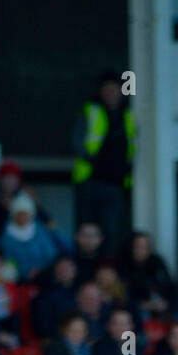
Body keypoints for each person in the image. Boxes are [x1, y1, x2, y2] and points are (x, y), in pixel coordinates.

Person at [71, 71, 135, 252]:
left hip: (115, 183)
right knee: (86, 229)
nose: (110, 93)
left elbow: (132, 148)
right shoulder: (90, 110)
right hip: (91, 180)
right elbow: (75, 142)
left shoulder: (128, 115)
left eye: (114, 89)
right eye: (106, 90)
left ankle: (107, 272)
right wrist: (93, 161)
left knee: (111, 231)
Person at [1, 194, 61, 283]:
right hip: (17, 279)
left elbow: (50, 253)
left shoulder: (40, 230)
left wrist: (39, 269)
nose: (22, 217)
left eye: (25, 214)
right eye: (19, 214)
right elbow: (6, 257)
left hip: (42, 276)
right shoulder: (6, 233)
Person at [120, 231, 176, 320]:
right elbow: (125, 296)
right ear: (130, 248)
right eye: (137, 247)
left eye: (145, 247)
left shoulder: (157, 262)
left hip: (162, 307)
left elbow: (170, 287)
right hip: (137, 311)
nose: (141, 251)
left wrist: (166, 302)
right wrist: (142, 305)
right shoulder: (123, 267)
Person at [31, 254, 79, 340]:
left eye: (68, 267)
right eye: (61, 268)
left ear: (75, 269)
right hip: (57, 340)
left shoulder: (79, 290)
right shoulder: (45, 295)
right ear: (55, 270)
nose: (65, 271)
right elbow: (43, 327)